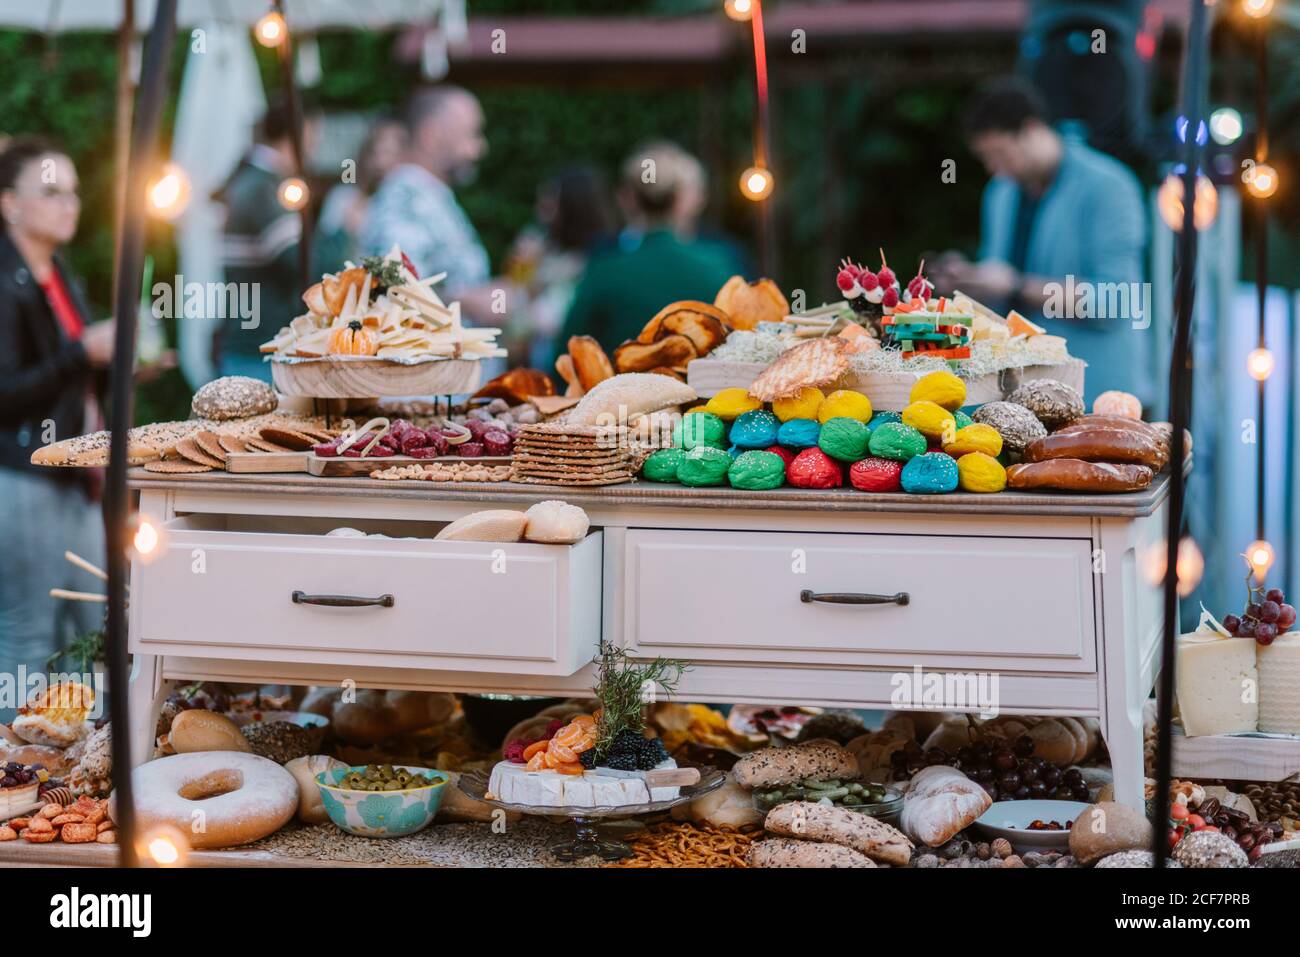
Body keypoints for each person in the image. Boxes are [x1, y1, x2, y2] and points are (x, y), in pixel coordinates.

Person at [931, 78, 1148, 403]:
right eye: (986, 159)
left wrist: (1017, 286)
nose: (995, 170)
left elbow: (1116, 302)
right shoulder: (1002, 193)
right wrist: (971, 281)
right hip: (1018, 395)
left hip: (1098, 396)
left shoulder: (1109, 186)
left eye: (1000, 155)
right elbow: (1000, 291)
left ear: (1031, 130)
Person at [0, 137, 113, 711]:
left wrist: (115, 363)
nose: (68, 204)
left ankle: (80, 776)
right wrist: (81, 354)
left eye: (71, 191)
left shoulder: (59, 273)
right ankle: (9, 778)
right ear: (8, 203)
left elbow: (74, 378)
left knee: (94, 632)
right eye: (50, 191)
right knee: (26, 638)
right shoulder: (5, 278)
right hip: (24, 478)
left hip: (74, 477)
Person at [560, 141, 743, 352]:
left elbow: (567, 350)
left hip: (620, 384)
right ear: (679, 199)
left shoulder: (604, 269)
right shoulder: (721, 263)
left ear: (629, 199)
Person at [360, 86, 505, 325]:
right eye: (472, 134)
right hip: (432, 362)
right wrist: (472, 300)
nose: (480, 148)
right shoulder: (406, 197)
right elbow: (395, 289)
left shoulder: (428, 194)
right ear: (431, 136)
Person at [214, 95, 321, 382]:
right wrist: (341, 231)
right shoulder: (263, 187)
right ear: (294, 137)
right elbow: (298, 263)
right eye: (311, 140)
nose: (312, 151)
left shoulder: (248, 179)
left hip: (249, 343)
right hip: (258, 349)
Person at [504, 165, 615, 369]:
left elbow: (551, 319)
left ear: (573, 206)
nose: (541, 208)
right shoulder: (542, 246)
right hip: (537, 363)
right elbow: (517, 311)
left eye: (549, 201)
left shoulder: (601, 258)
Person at [312, 116, 406, 276]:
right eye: (376, 153)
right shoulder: (343, 198)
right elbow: (321, 257)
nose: (380, 162)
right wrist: (345, 231)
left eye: (390, 153)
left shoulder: (410, 205)